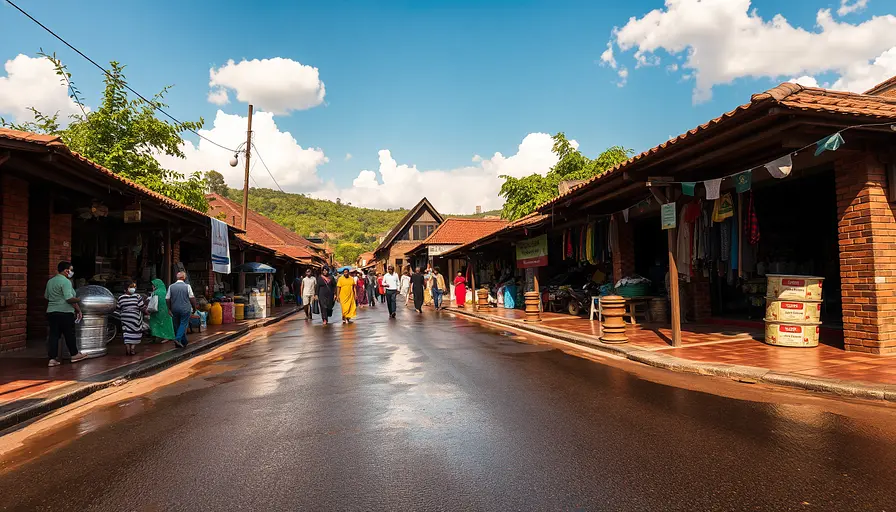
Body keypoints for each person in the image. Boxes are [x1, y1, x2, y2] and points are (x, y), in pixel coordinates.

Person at [45, 261, 88, 367]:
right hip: (64, 313)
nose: (72, 272)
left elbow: (46, 296)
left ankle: (52, 359)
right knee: (69, 334)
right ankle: (74, 354)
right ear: (66, 270)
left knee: (54, 335)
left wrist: (77, 309)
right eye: (71, 270)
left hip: (51, 312)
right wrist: (80, 300)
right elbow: (69, 299)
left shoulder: (50, 281)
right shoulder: (66, 282)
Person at [166, 271, 197, 348]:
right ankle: (178, 339)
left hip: (174, 308)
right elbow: (192, 298)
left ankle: (184, 342)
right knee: (183, 324)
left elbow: (167, 299)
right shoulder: (187, 286)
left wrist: (169, 309)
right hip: (185, 309)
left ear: (177, 278)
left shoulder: (171, 286)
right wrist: (194, 307)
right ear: (184, 278)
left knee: (176, 325)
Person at [117, 280, 146, 355]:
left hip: (124, 317)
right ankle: (132, 348)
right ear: (126, 288)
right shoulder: (137, 296)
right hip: (135, 317)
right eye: (131, 287)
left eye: (133, 287)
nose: (133, 289)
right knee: (136, 331)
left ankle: (127, 347)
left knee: (126, 332)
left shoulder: (120, 298)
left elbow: (118, 308)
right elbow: (142, 307)